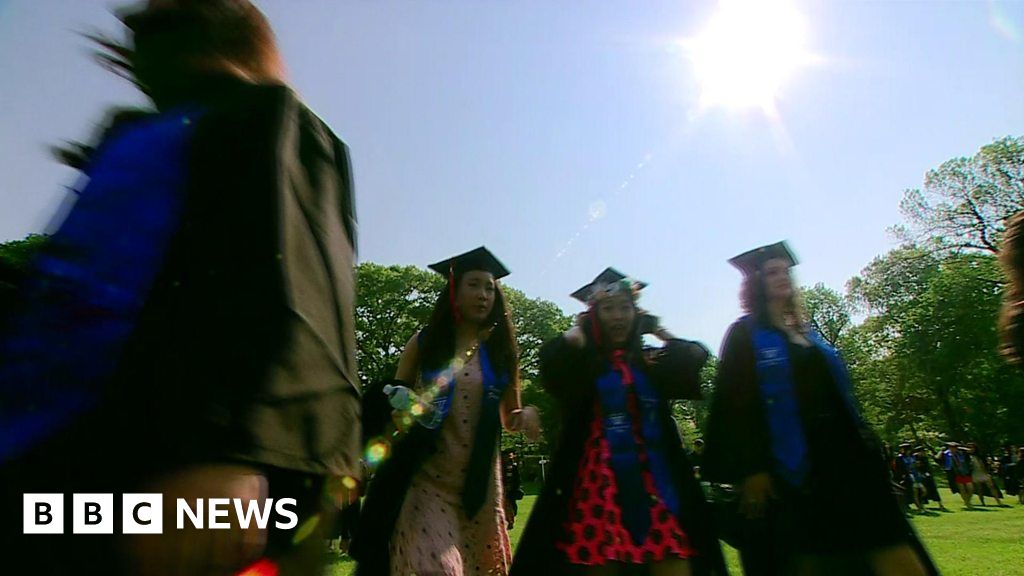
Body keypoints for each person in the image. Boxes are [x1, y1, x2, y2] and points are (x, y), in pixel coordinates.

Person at [0, 2, 361, 574]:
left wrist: (238, 449)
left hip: (168, 472)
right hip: (48, 459)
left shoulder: (262, 118)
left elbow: (292, 285)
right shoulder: (140, 141)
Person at [702, 241, 937, 576]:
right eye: (771, 272)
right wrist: (752, 468)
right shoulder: (745, 333)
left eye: (785, 270)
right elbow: (733, 403)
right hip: (795, 469)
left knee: (891, 549)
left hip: (849, 463)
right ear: (756, 283)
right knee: (809, 558)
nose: (782, 276)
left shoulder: (807, 334)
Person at [512, 268, 727, 576]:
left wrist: (658, 329)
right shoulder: (583, 365)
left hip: (655, 482)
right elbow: (551, 361)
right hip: (598, 484)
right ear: (594, 315)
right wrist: (578, 328)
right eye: (608, 308)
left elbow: (694, 356)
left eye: (625, 308)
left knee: (674, 559)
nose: (618, 317)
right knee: (603, 563)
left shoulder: (649, 362)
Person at [350, 247, 541, 576]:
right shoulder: (424, 344)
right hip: (425, 480)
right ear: (454, 290)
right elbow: (391, 401)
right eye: (474, 285)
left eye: (489, 288)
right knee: (436, 569)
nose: (483, 295)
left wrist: (527, 415)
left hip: (478, 487)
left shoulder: (500, 354)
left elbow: (510, 418)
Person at [502, 449, 526, 530]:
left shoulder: (514, 467)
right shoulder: (500, 467)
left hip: (511, 491)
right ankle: (508, 521)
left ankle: (510, 521)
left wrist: (515, 487)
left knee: (512, 507)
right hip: (502, 490)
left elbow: (517, 479)